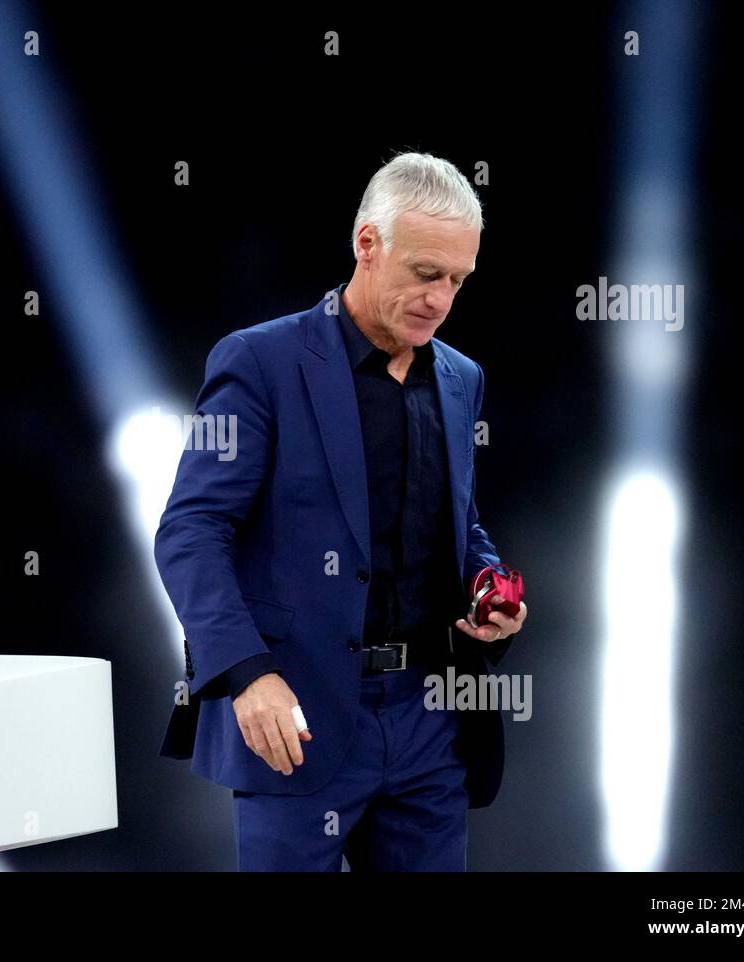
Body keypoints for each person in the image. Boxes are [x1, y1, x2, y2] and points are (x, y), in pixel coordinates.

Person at [154, 151, 527, 871]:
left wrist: (487, 582)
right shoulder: (258, 362)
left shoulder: (460, 378)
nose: (441, 299)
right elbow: (191, 531)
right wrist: (245, 672)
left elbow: (459, 522)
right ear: (367, 244)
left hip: (430, 720)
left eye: (457, 280)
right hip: (297, 714)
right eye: (426, 274)